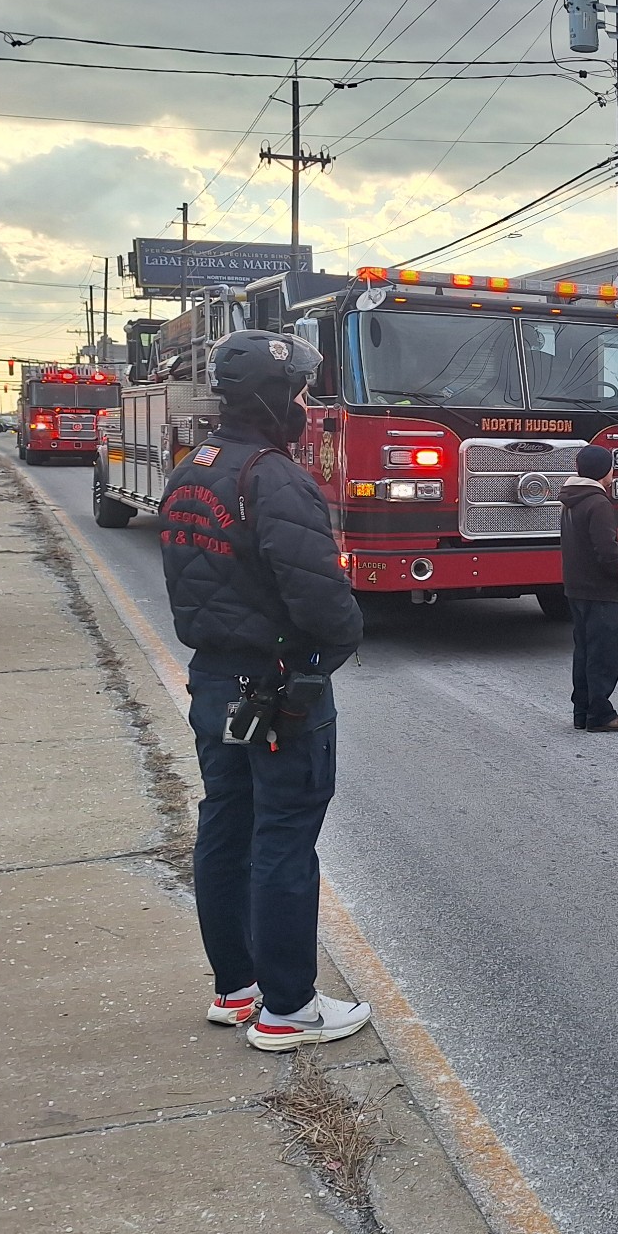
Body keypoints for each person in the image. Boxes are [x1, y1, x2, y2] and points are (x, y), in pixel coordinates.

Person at [159, 329, 370, 1053]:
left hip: (215, 680)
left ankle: (236, 988)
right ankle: (289, 1009)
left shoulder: (192, 469)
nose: (308, 405)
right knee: (283, 839)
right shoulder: (274, 477)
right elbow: (323, 601)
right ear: (277, 398)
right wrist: (330, 651)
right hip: (277, 688)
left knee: (226, 827)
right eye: (302, 392)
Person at [560, 444, 618, 732]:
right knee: (604, 654)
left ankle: (582, 711)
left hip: (576, 586)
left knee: (584, 652)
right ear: (603, 471)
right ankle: (601, 715)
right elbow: (607, 550)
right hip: (599, 588)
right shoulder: (598, 503)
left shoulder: (571, 499)